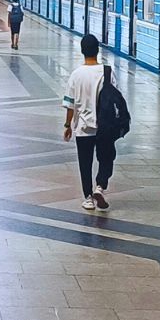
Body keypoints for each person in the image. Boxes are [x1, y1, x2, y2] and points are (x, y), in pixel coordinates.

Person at [62, 33, 115, 211]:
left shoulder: (76, 75)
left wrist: (67, 125)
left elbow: (70, 104)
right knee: (106, 158)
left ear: (83, 51)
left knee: (85, 162)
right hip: (104, 127)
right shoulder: (107, 72)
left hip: (83, 127)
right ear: (97, 51)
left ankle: (88, 198)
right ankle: (100, 186)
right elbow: (114, 98)